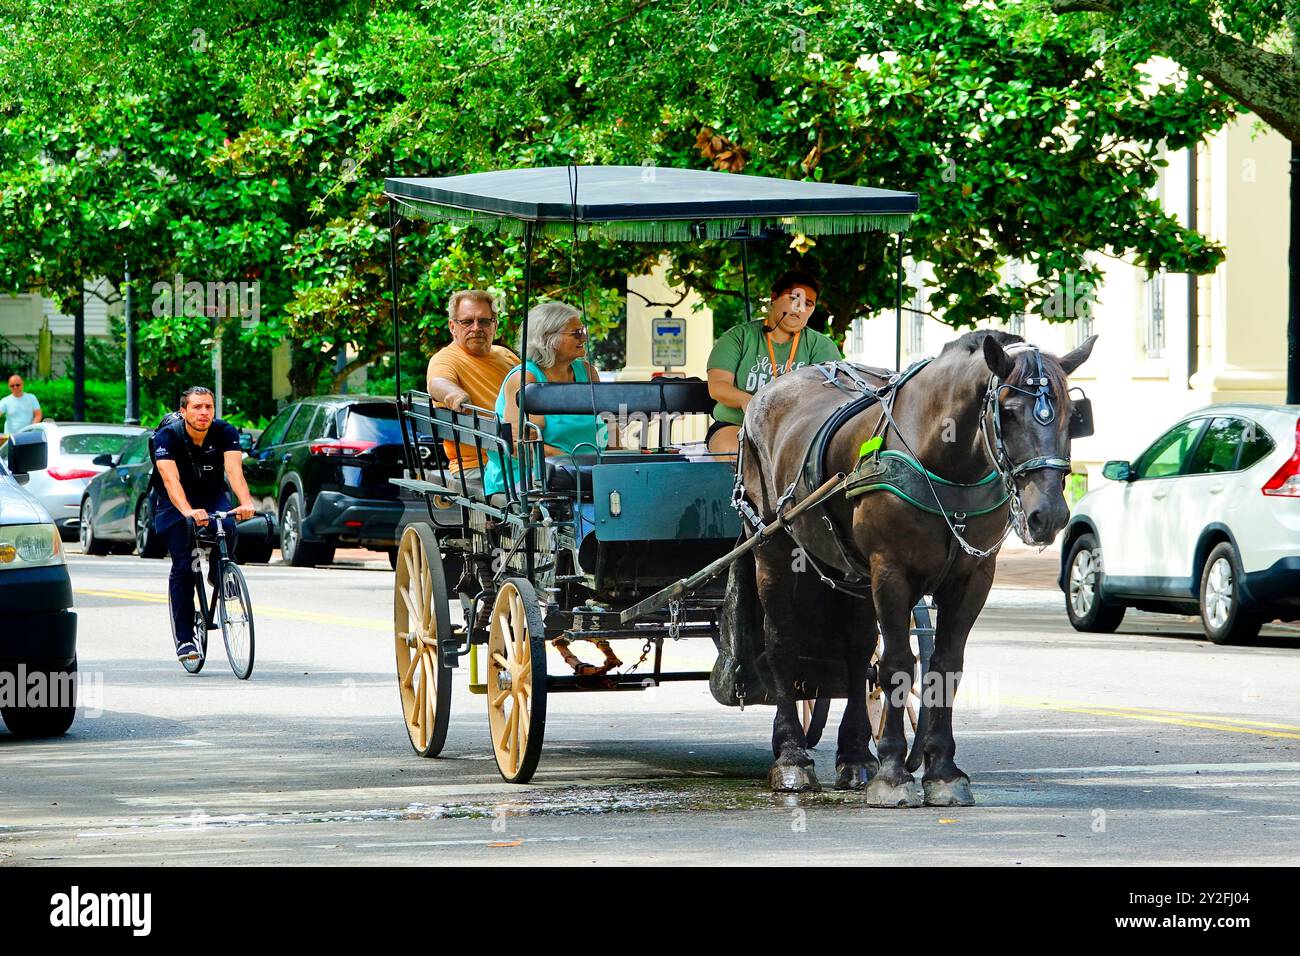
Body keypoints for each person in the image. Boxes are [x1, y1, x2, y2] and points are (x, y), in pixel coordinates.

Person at [485, 302, 617, 675]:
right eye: (574, 332)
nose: (583, 337)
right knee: (578, 501)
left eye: (581, 330)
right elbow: (525, 442)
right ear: (548, 339)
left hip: (591, 467)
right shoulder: (522, 378)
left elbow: (609, 422)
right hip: (533, 471)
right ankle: (591, 568)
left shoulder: (586, 371)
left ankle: (622, 572)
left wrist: (619, 454)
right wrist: (578, 462)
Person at [152, 386, 257, 663]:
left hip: (211, 496)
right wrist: (188, 511)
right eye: (197, 407)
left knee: (229, 526)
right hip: (175, 503)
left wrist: (245, 502)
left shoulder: (225, 432)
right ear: (183, 411)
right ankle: (185, 639)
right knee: (184, 566)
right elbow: (170, 481)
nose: (204, 412)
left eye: (208, 407)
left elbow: (234, 472)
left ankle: (219, 572)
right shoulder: (167, 436)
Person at [705, 269, 842, 455]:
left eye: (808, 304)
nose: (799, 308)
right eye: (794, 299)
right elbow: (718, 387)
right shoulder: (738, 337)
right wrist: (748, 401)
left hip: (797, 430)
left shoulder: (821, 346)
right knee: (735, 453)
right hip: (737, 425)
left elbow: (831, 396)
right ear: (774, 297)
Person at [426, 290, 520, 479]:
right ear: (453, 326)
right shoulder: (445, 359)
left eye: (484, 321)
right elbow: (437, 383)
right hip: (480, 465)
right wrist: (454, 395)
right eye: (467, 321)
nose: (476, 328)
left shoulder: (506, 356)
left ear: (495, 325)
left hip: (521, 458)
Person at [1, 375, 43, 441]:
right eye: (12, 386)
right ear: (9, 387)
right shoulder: (5, 401)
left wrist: (31, 428)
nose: (15, 387)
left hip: (28, 436)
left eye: (17, 385)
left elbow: (38, 415)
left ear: (22, 384)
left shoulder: (31, 398)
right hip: (10, 438)